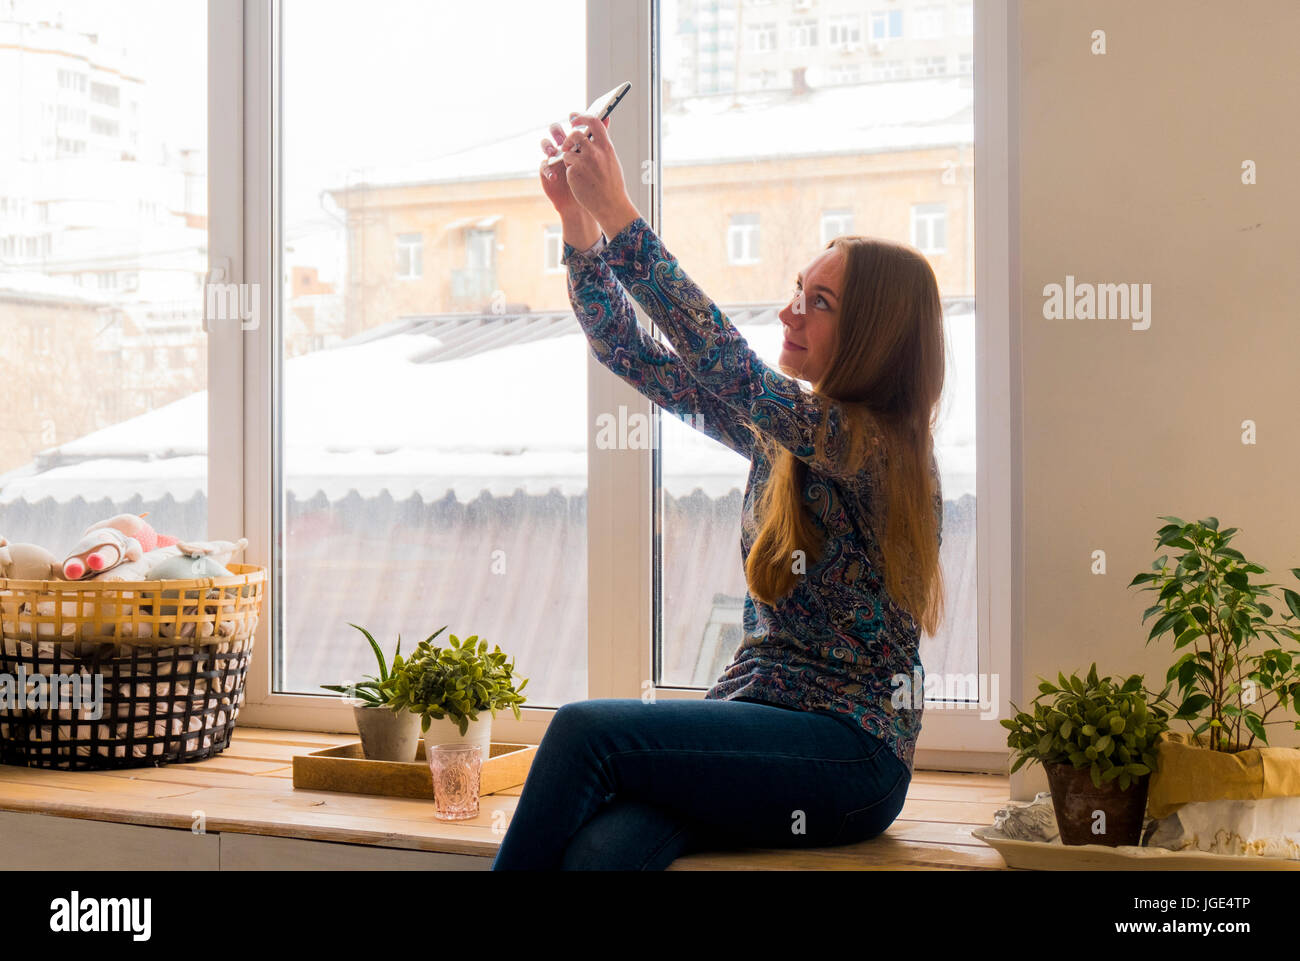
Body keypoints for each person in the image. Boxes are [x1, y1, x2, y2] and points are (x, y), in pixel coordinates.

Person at [490, 109, 946, 870]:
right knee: (603, 848)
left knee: (583, 731)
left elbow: (724, 358)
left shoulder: (875, 448)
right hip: (757, 726)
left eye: (820, 302)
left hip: (850, 754)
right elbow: (634, 355)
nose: (789, 311)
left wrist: (620, 214)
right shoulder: (786, 435)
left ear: (875, 335)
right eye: (799, 288)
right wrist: (580, 231)